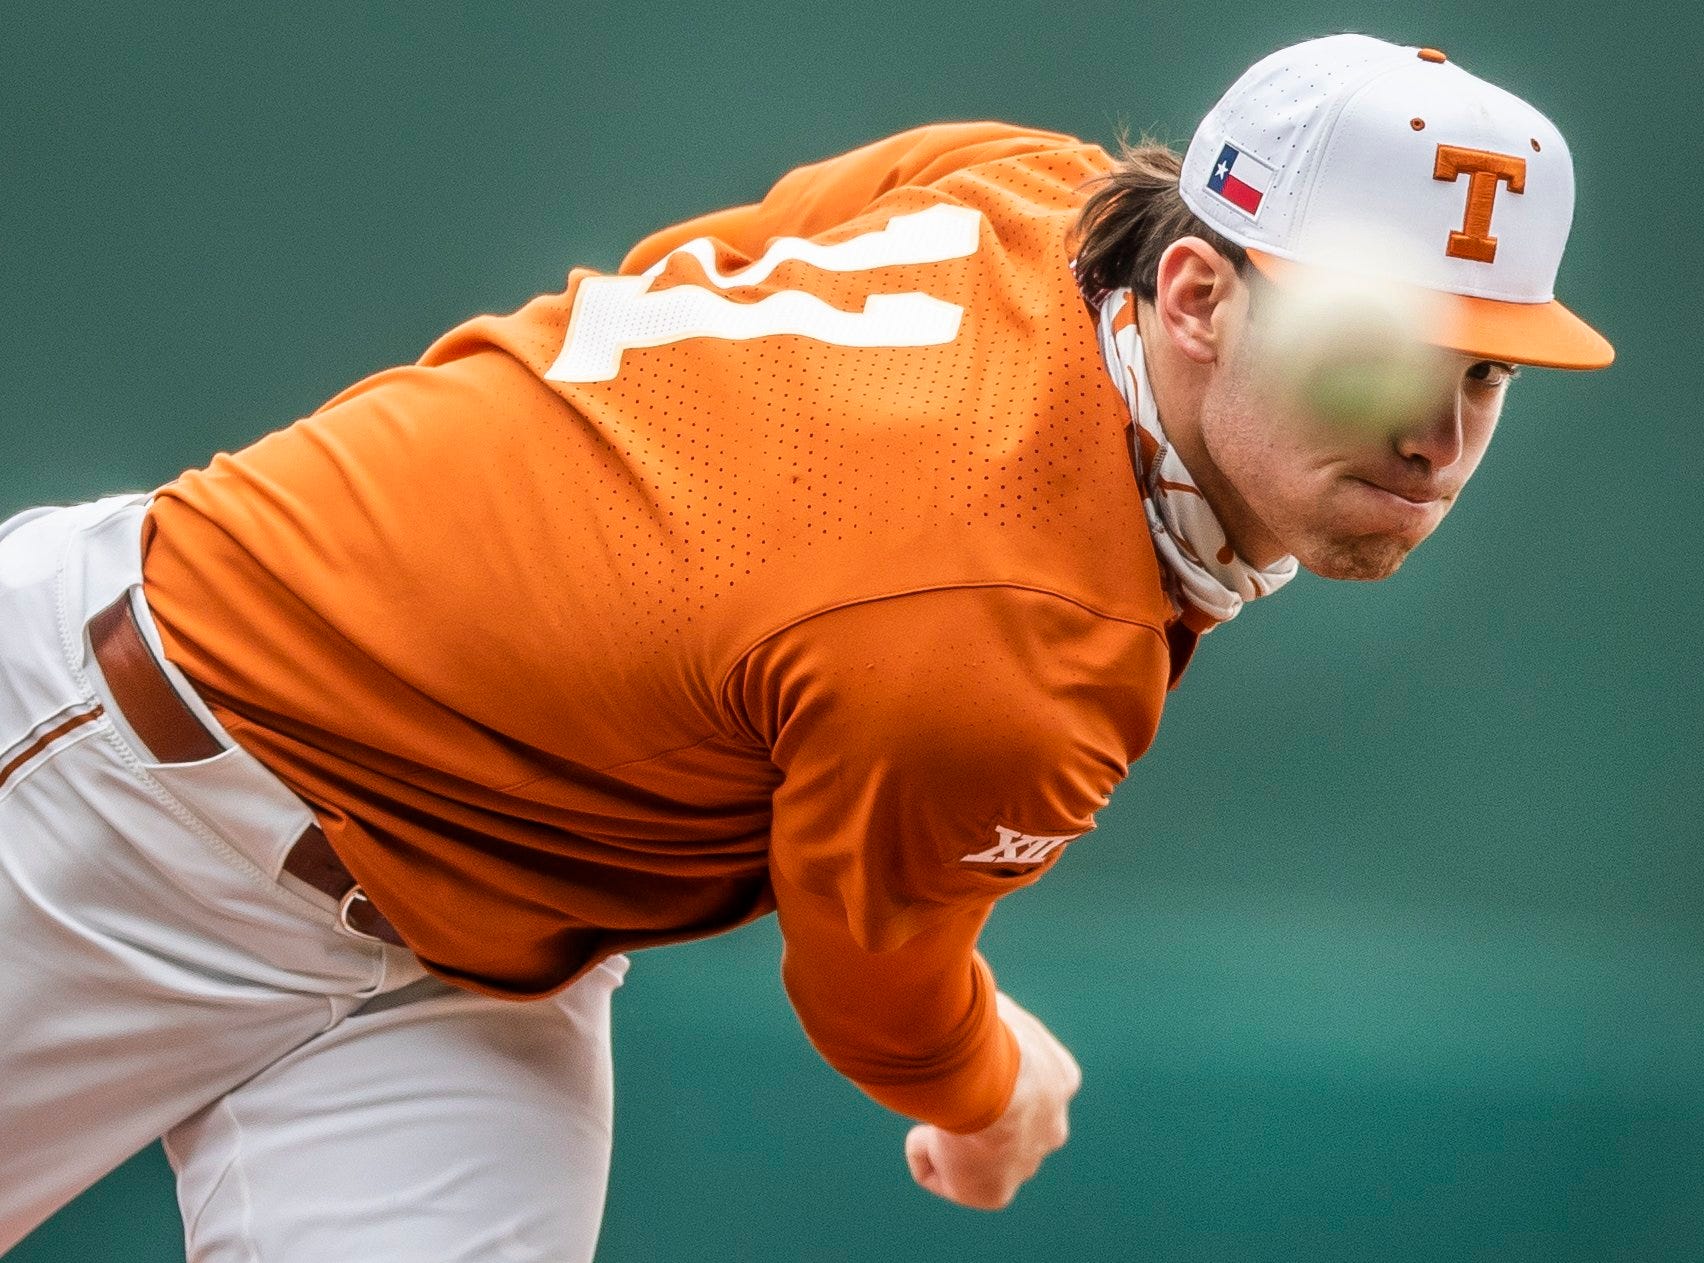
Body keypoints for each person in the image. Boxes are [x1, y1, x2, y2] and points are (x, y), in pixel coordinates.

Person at [0, 33, 1612, 1261]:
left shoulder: (1017, 184)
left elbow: (718, 276)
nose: (1431, 433)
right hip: (125, 783)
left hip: (479, 958)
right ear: (1194, 291)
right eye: (1372, 352)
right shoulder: (1002, 641)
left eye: (1484, 374)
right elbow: (874, 995)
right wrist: (988, 1099)